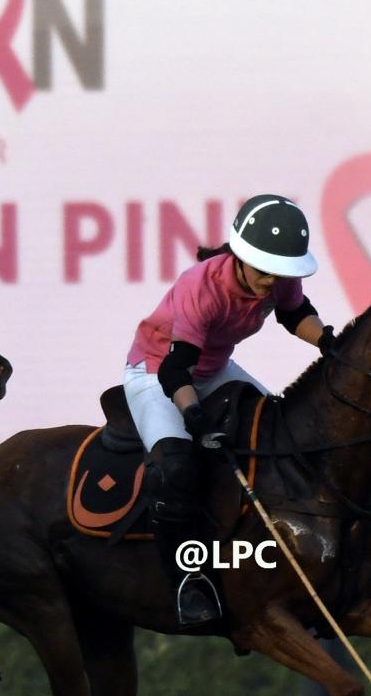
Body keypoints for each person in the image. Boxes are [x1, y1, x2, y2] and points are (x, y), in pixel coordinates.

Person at [123, 194, 334, 626]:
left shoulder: (276, 276)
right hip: (156, 371)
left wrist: (331, 344)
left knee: (285, 434)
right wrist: (195, 418)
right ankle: (187, 580)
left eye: (279, 275)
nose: (269, 283)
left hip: (216, 369)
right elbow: (176, 369)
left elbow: (295, 314)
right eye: (262, 272)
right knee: (177, 469)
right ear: (239, 257)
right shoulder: (201, 286)